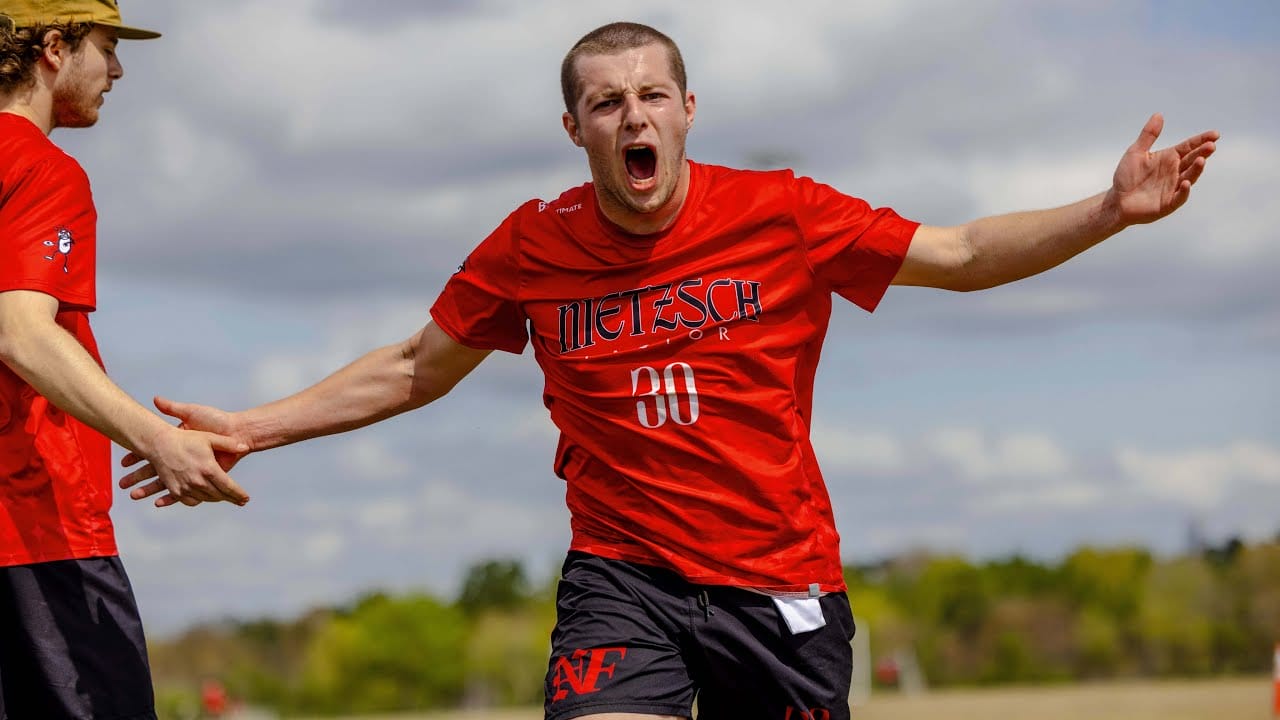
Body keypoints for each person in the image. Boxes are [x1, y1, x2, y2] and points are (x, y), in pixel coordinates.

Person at [120, 21, 1218, 720]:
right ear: (574, 127)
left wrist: (1107, 211)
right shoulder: (531, 245)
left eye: (651, 95)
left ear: (688, 111)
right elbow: (416, 365)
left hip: (779, 578)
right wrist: (252, 426)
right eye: (606, 102)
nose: (632, 115)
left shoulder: (783, 213)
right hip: (624, 579)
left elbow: (963, 253)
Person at [0, 2, 252, 718]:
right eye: (106, 47)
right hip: (34, 535)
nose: (116, 70)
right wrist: (158, 440)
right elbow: (20, 332)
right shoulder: (42, 169)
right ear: (54, 47)